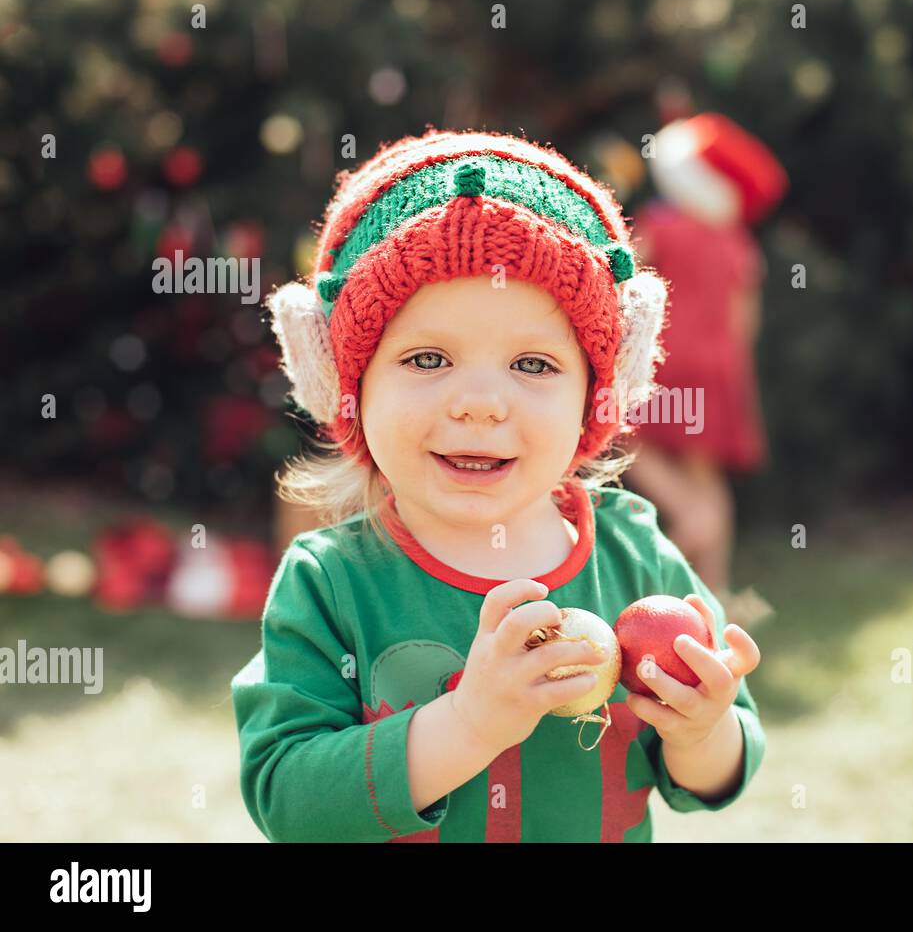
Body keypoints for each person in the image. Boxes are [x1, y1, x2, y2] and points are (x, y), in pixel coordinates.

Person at [230, 129, 765, 842]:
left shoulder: (635, 553)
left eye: (535, 365)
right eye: (427, 357)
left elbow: (722, 774)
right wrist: (468, 723)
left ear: (597, 396)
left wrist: (703, 729)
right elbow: (288, 800)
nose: (481, 403)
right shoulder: (331, 583)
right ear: (344, 385)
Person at [625, 113, 787, 611]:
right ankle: (712, 598)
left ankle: (688, 528)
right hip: (720, 373)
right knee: (705, 475)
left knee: (622, 435)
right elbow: (745, 324)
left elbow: (629, 283)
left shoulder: (661, 226)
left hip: (666, 362)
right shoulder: (739, 244)